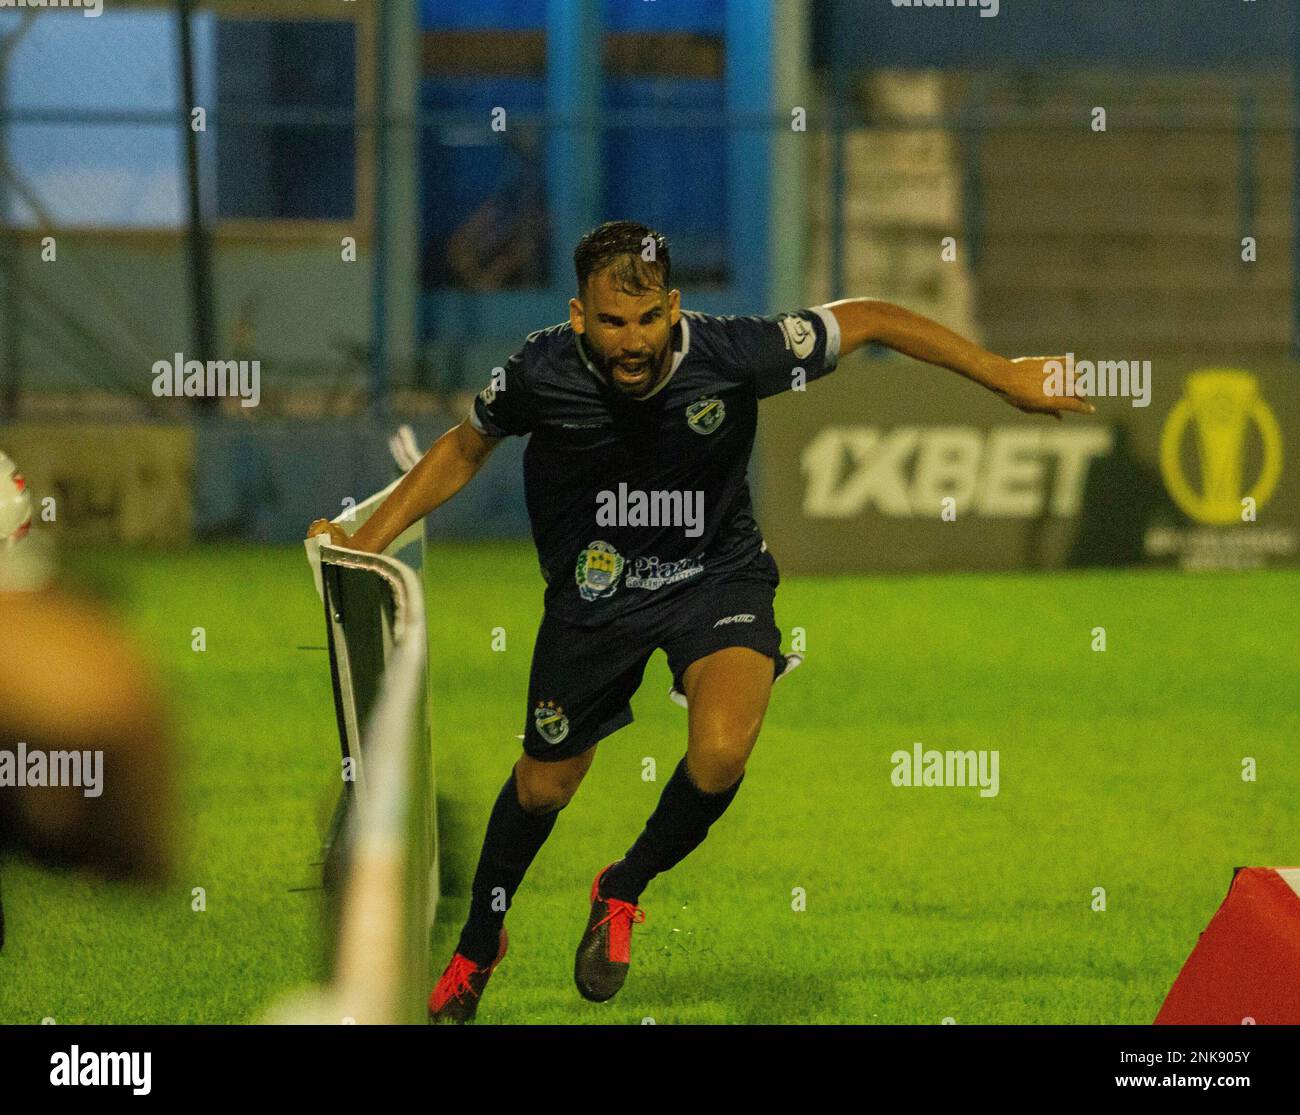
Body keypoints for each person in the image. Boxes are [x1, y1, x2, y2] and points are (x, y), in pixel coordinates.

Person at [307, 220, 1092, 1023]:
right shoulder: (541, 370)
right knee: (544, 786)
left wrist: (1002, 375)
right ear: (579, 316)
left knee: (720, 753)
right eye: (613, 322)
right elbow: (465, 447)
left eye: (649, 318)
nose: (634, 340)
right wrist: (362, 543)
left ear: (674, 306)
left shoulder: (733, 352)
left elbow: (873, 319)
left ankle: (623, 886)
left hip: (716, 578)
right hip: (594, 599)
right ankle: (481, 941)